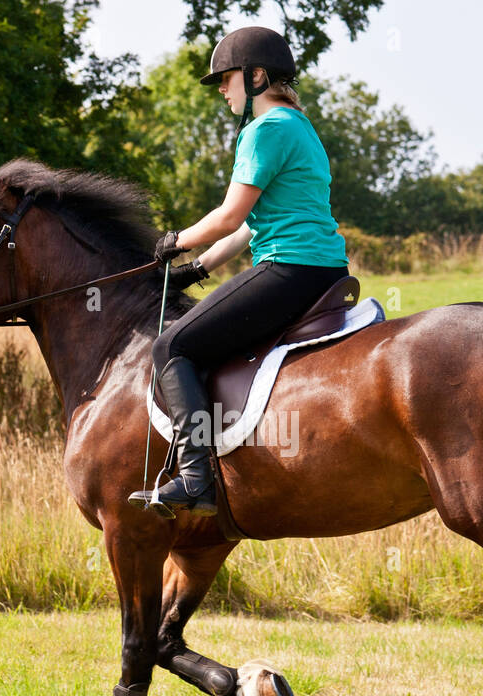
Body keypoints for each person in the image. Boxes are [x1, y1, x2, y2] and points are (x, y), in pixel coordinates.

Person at [128, 25, 350, 518]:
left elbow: (229, 215)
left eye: (226, 79)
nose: (222, 91)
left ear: (255, 77)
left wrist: (174, 241)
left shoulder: (265, 130)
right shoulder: (300, 127)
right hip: (321, 268)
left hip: (291, 267)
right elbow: (253, 224)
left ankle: (194, 477)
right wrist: (198, 267)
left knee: (172, 346)